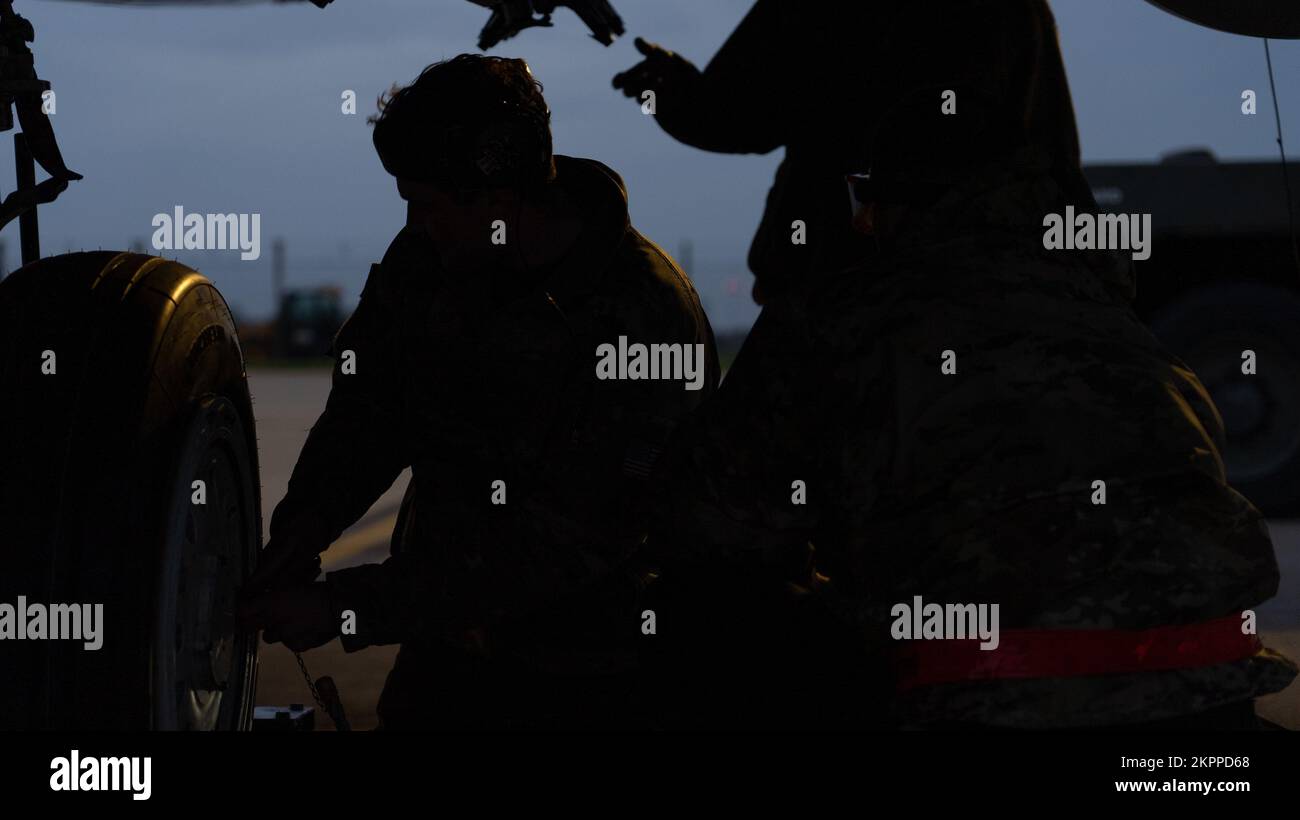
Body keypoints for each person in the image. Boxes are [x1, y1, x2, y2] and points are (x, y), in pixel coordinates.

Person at [643, 3, 1298, 728]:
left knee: (697, 608)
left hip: (999, 692)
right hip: (1211, 701)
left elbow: (703, 525)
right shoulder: (1115, 323)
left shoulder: (841, 319)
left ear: (880, 203)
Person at [240, 54, 718, 729]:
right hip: (446, 660)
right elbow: (371, 410)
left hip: (593, 678)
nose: (414, 223)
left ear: (497, 199)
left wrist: (345, 606)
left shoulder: (645, 315)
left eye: (427, 205)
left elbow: (568, 542)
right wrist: (303, 527)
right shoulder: (432, 257)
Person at [613, 0, 1094, 305]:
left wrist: (673, 94)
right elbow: (1057, 161)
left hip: (840, 300)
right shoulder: (1018, 14)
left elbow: (735, 113)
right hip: (1000, 299)